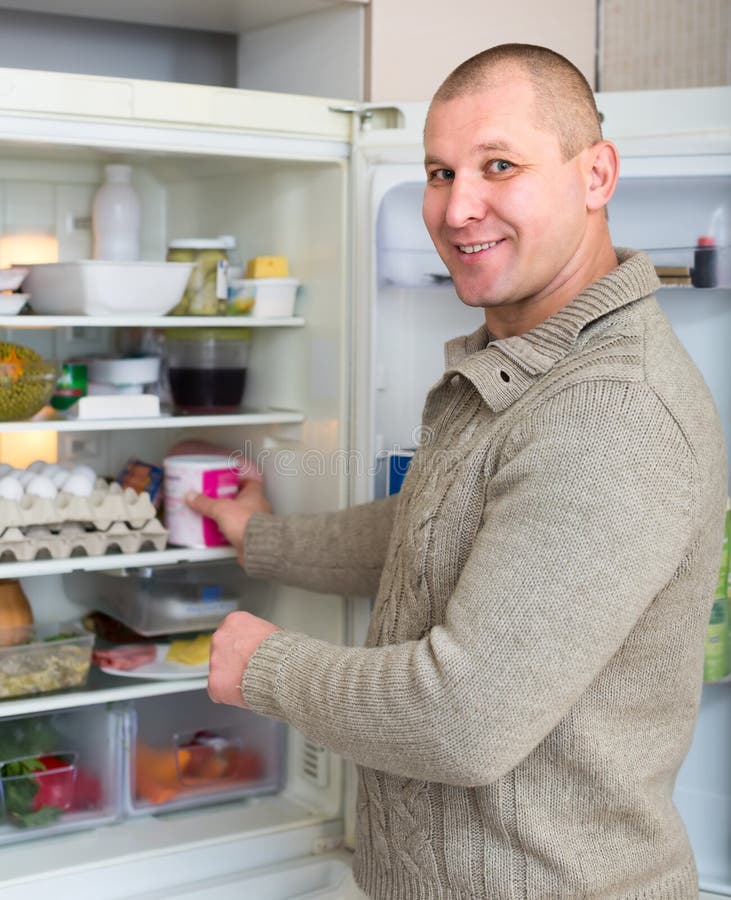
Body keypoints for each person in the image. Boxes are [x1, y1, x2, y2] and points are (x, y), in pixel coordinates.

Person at [186, 43, 727, 900]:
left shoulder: (610, 412)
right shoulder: (518, 364)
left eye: (498, 166)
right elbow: (430, 528)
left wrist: (265, 664)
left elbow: (462, 718)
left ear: (596, 175)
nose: (456, 207)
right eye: (439, 172)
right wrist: (260, 537)